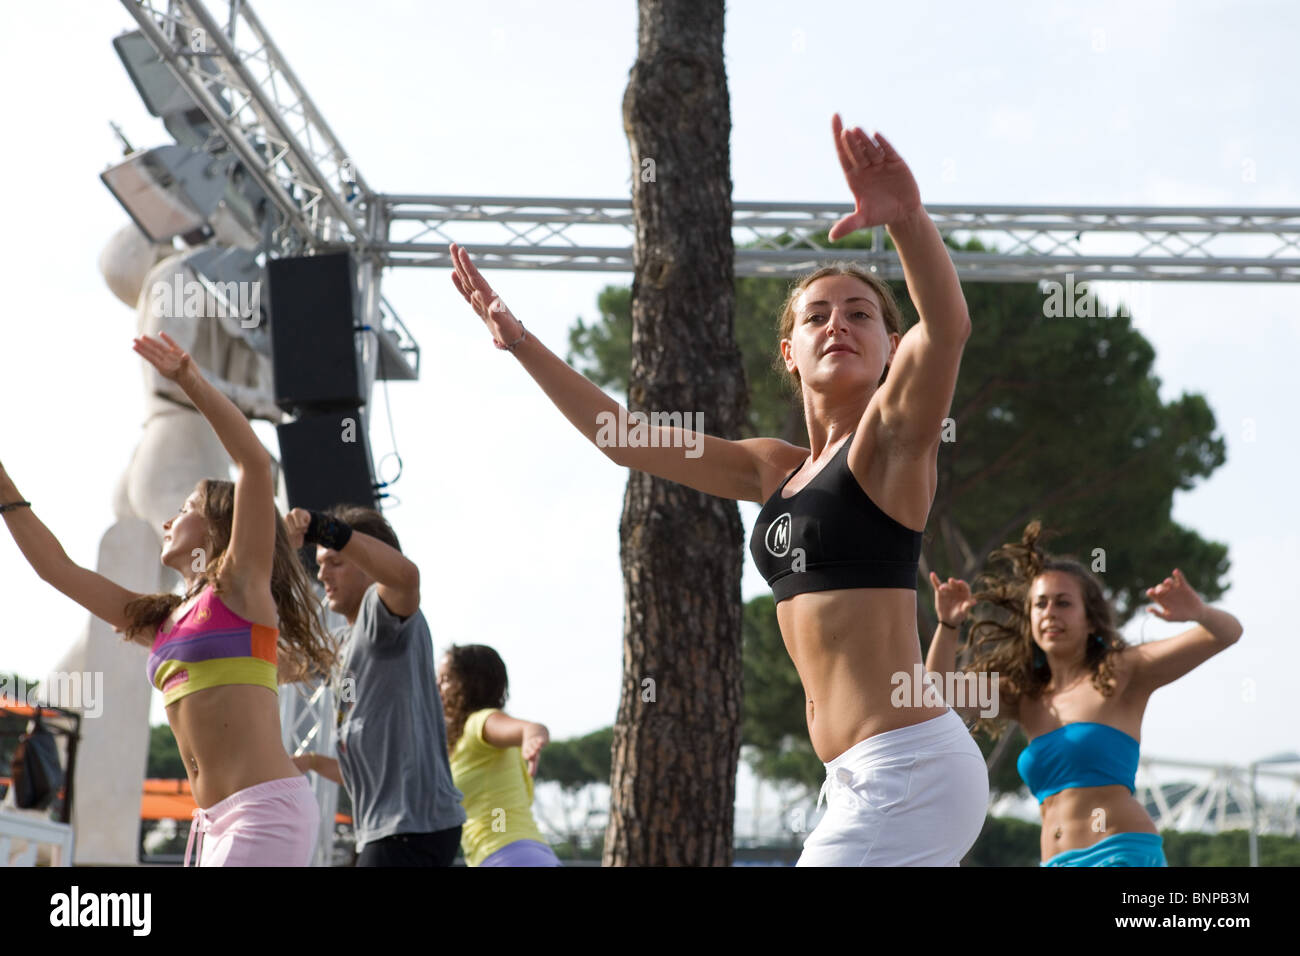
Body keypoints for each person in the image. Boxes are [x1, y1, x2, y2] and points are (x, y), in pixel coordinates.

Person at [447, 113, 988, 866]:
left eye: (861, 314)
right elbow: (623, 438)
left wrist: (906, 221)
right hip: (854, 777)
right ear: (788, 352)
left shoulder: (892, 441)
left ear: (892, 347)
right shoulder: (773, 466)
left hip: (911, 765)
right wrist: (523, 343)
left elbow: (949, 326)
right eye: (817, 315)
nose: (839, 324)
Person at [0, 332, 334, 866]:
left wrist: (189, 381)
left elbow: (254, 465)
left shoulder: (242, 587)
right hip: (215, 824)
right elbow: (55, 570)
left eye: (184, 507)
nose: (167, 519)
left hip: (263, 813)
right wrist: (5, 490)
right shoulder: (163, 622)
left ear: (218, 528)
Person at [924, 521, 1243, 866]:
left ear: (1090, 619)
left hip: (1118, 853)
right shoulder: (1027, 696)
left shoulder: (1123, 670)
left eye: (1063, 603)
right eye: (1040, 604)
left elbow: (1226, 634)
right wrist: (948, 624)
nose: (1049, 613)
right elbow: (939, 692)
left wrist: (1199, 613)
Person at [288, 506, 466, 866]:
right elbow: (271, 662)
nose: (322, 573)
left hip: (409, 829)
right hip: (391, 830)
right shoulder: (342, 644)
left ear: (371, 567)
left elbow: (406, 576)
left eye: (335, 561)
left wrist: (323, 527)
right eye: (320, 562)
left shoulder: (380, 616)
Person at [438, 644, 562, 867]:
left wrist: (532, 738)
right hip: (523, 855)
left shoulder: (481, 722)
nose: (438, 686)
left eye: (446, 678)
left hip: (509, 855)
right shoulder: (460, 740)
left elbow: (529, 728)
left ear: (470, 684)